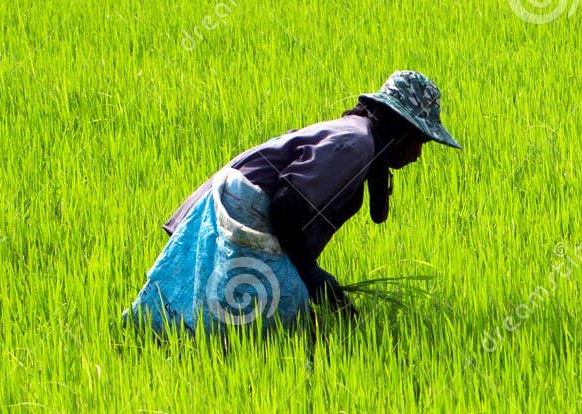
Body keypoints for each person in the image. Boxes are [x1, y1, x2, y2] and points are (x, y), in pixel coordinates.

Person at [125, 70, 460, 334]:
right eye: (419, 141)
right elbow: (286, 207)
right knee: (278, 317)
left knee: (228, 315)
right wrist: (311, 276)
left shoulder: (364, 142)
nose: (417, 155)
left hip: (241, 205)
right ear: (399, 129)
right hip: (243, 210)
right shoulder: (356, 143)